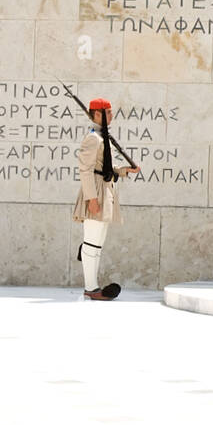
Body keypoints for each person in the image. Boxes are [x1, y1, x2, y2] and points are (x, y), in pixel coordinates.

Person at [72, 98, 138, 301]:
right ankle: (91, 288)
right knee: (91, 242)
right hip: (96, 191)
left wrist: (124, 171)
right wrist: (92, 198)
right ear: (98, 115)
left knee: (97, 242)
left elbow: (105, 167)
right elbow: (85, 170)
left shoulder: (102, 137)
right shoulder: (93, 138)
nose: (112, 116)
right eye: (108, 113)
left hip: (104, 189)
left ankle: (93, 286)